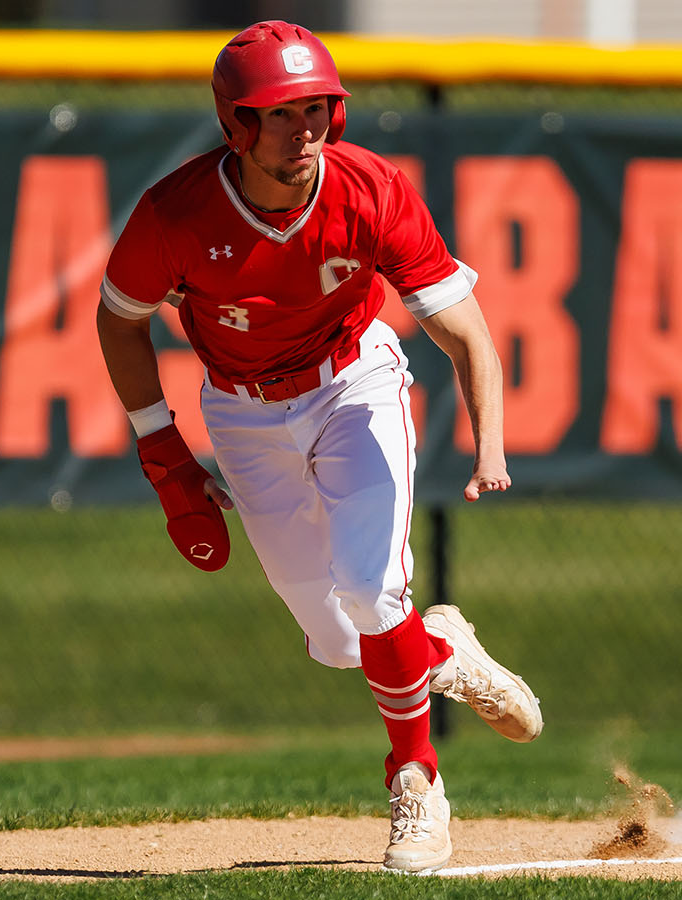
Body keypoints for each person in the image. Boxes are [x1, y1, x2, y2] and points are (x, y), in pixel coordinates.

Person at [95, 20, 542, 873]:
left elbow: (466, 334)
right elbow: (119, 323)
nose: (306, 129)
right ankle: (445, 647)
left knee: (375, 596)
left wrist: (491, 443)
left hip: (353, 384)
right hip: (242, 411)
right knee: (341, 642)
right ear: (236, 123)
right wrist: (164, 453)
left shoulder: (368, 187)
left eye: (318, 109)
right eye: (283, 112)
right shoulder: (176, 213)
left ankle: (416, 783)